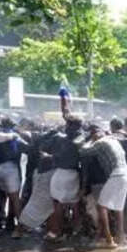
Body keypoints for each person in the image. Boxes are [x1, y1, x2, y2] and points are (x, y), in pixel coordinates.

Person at [79, 124, 127, 248]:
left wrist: (89, 140)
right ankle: (121, 236)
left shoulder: (100, 143)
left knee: (101, 206)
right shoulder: (113, 140)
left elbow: (83, 152)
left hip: (116, 175)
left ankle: (109, 240)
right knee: (118, 207)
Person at [47, 88, 85, 242]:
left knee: (58, 205)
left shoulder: (61, 139)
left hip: (60, 175)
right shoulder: (81, 138)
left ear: (69, 125)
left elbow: (66, 114)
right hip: (73, 175)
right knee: (74, 204)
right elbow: (67, 114)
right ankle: (76, 232)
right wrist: (64, 100)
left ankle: (56, 233)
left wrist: (63, 99)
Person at [0, 116, 26, 232]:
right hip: (11, 168)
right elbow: (27, 149)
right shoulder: (15, 137)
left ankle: (1, 220)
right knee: (14, 198)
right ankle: (19, 224)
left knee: (2, 197)